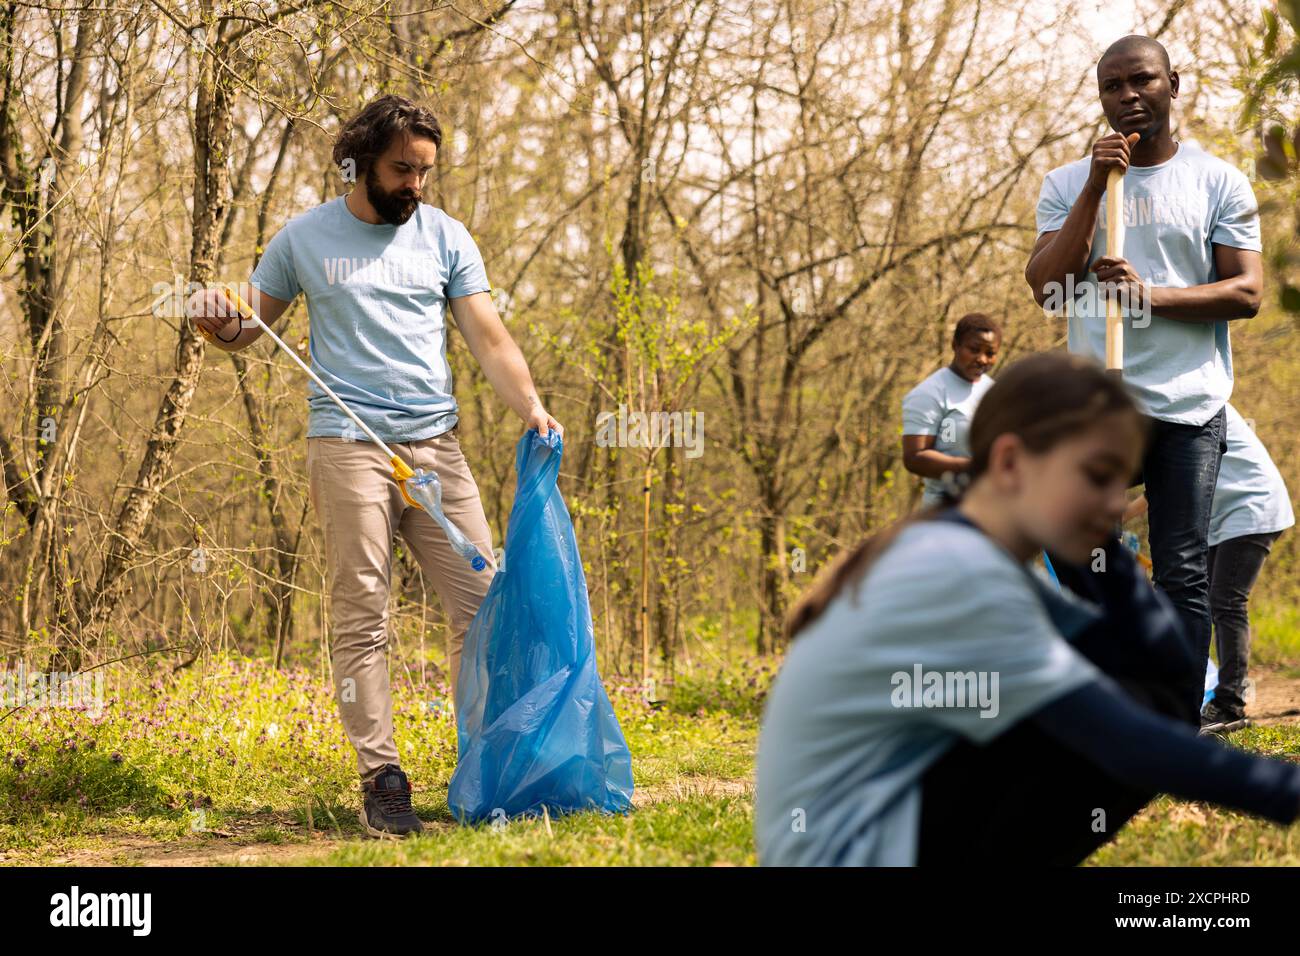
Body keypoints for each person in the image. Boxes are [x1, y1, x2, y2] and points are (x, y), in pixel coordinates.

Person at [755, 352, 1300, 867]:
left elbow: (1162, 668)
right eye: (1096, 475)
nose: (1118, 503)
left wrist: (1094, 544)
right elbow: (1129, 741)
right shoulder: (956, 570)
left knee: (1138, 694)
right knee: (1106, 720)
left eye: (1122, 481)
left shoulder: (981, 556)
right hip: (852, 850)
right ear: (1012, 461)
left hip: (879, 834)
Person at [187, 95, 563, 839]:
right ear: (362, 162)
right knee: (364, 610)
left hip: (436, 448)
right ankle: (382, 777)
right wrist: (214, 318)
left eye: (425, 171)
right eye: (402, 169)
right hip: (349, 446)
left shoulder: (447, 238)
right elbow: (247, 327)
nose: (415, 184)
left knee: (484, 601)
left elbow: (488, 336)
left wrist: (533, 407)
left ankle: (483, 765)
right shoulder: (304, 239)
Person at [1024, 35, 1264, 718]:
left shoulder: (1219, 181)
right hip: (1100, 408)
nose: (1128, 96)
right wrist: (1098, 186)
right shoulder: (1068, 183)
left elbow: (1247, 293)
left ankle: (1174, 722)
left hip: (1189, 406)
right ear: (1100, 97)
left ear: (1173, 85)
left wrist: (1150, 295)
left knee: (1183, 568)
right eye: (1112, 86)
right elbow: (1047, 290)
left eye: (1142, 81)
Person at [1124, 403, 1294, 733]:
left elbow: (1164, 478)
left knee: (1226, 601)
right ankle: (1210, 696)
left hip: (1251, 506)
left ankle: (1229, 702)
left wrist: (1123, 512)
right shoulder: (1167, 405)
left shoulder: (1191, 405)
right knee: (1207, 595)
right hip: (1227, 515)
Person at [901, 313, 1001, 507]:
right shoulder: (929, 393)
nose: (982, 359)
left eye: (990, 353)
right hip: (945, 509)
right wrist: (972, 468)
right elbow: (914, 458)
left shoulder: (994, 390)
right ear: (955, 345)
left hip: (990, 506)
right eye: (974, 350)